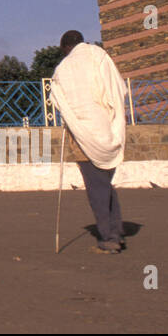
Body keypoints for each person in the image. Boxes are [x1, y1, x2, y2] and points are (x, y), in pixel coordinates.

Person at [50, 30, 128, 254]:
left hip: (83, 138)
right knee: (104, 184)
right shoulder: (99, 55)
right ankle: (116, 231)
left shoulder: (62, 69)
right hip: (108, 132)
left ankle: (109, 237)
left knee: (97, 189)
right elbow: (118, 89)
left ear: (66, 47)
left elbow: (57, 101)